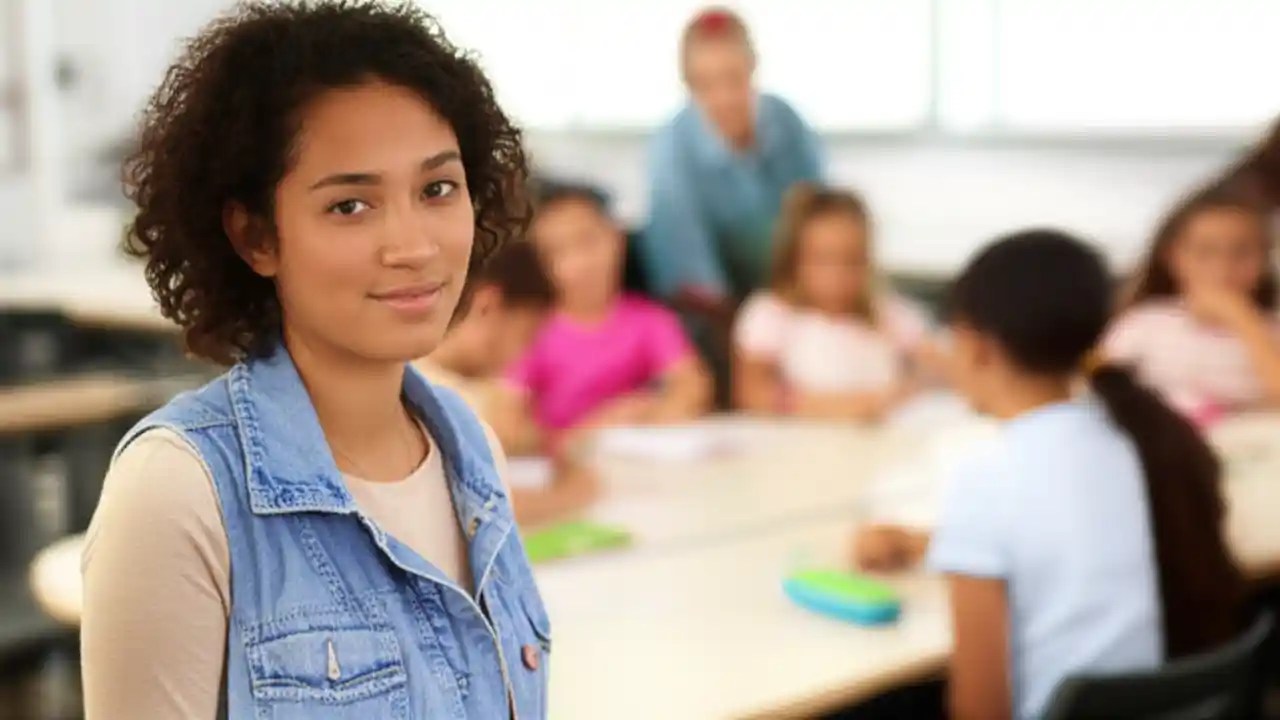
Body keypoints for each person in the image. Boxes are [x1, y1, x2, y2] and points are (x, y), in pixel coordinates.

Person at [81, 3, 551, 718]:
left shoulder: (474, 451)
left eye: (436, 190)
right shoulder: (178, 492)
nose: (413, 245)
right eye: (350, 206)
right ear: (256, 237)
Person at [853, 230, 1244, 720]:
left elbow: (980, 711)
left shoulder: (984, 478)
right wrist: (931, 543)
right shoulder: (1135, 443)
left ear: (976, 346)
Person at [492, 183, 712, 455]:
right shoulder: (530, 332)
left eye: (588, 240)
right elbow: (507, 421)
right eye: (557, 252)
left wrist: (647, 412)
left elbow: (691, 385)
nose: (580, 263)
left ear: (617, 239)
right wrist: (591, 430)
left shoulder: (651, 320)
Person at [640, 7, 824, 309]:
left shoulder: (788, 122)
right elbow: (690, 276)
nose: (724, 99)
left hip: (799, 298)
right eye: (706, 85)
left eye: (733, 78)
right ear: (688, 86)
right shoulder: (670, 151)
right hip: (720, 311)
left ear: (753, 68)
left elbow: (820, 223)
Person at [420, 240, 599, 526]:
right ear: (487, 307)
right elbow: (471, 511)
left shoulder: (478, 386)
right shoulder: (421, 392)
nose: (521, 355)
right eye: (526, 335)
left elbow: (518, 441)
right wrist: (571, 494)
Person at [733, 184, 934, 421]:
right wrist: (843, 406)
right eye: (823, 259)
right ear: (793, 259)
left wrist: (908, 388)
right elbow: (752, 394)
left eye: (852, 260)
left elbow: (940, 364)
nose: (837, 275)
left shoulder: (888, 314)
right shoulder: (770, 314)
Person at [1103, 186, 1280, 418]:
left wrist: (1243, 319)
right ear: (1173, 257)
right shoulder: (1147, 322)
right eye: (1205, 252)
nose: (1223, 267)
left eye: (1243, 252)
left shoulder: (1270, 329)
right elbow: (1096, 382)